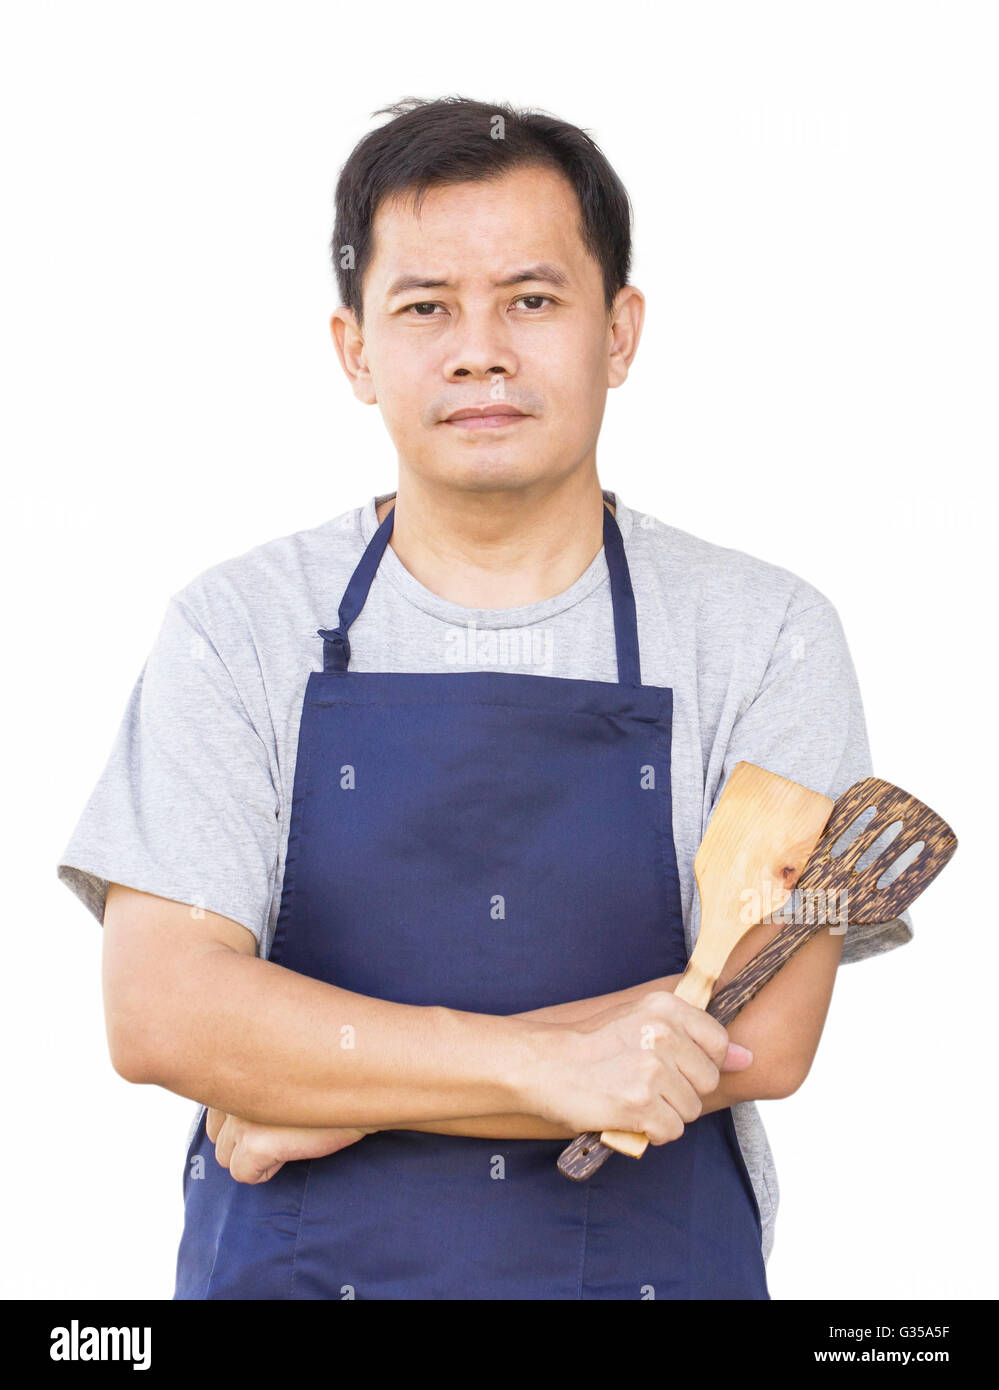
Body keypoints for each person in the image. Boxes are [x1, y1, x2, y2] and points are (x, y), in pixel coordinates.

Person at [57, 95, 912, 1301]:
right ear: (355, 349)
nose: (479, 350)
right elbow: (161, 1012)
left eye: (531, 298)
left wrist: (324, 1096)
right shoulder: (236, 628)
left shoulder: (763, 633)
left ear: (619, 332)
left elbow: (761, 1031)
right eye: (424, 308)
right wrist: (543, 1068)